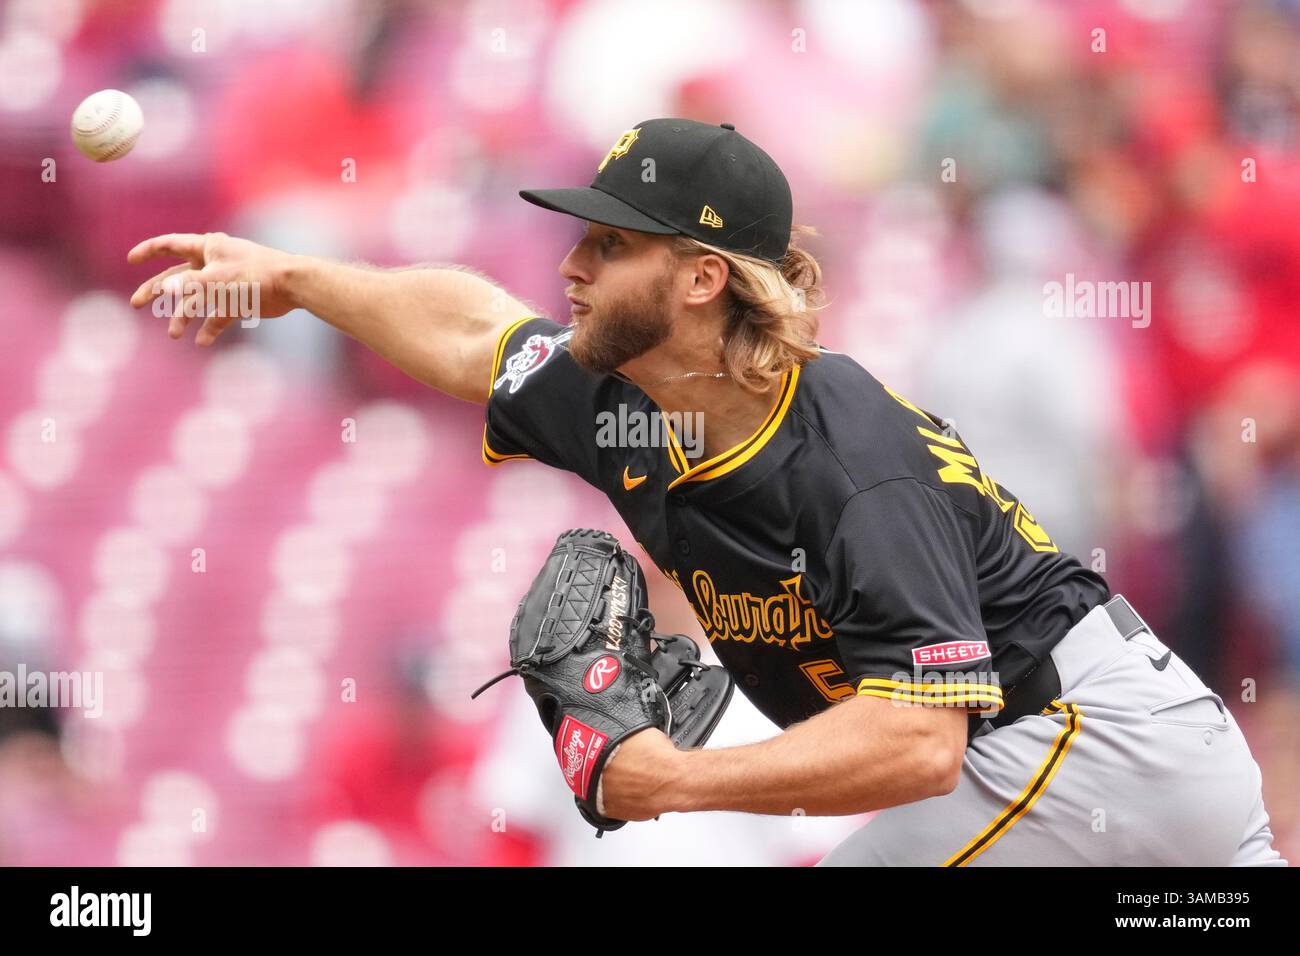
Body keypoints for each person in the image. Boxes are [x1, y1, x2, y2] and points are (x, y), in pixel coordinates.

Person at [127, 118, 1285, 866]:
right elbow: (476, 332)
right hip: (1099, 769)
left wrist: (674, 781)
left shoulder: (846, 459)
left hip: (1084, 743)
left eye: (609, 245)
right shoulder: (624, 399)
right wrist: (295, 276)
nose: (572, 266)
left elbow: (920, 742)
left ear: (699, 275)